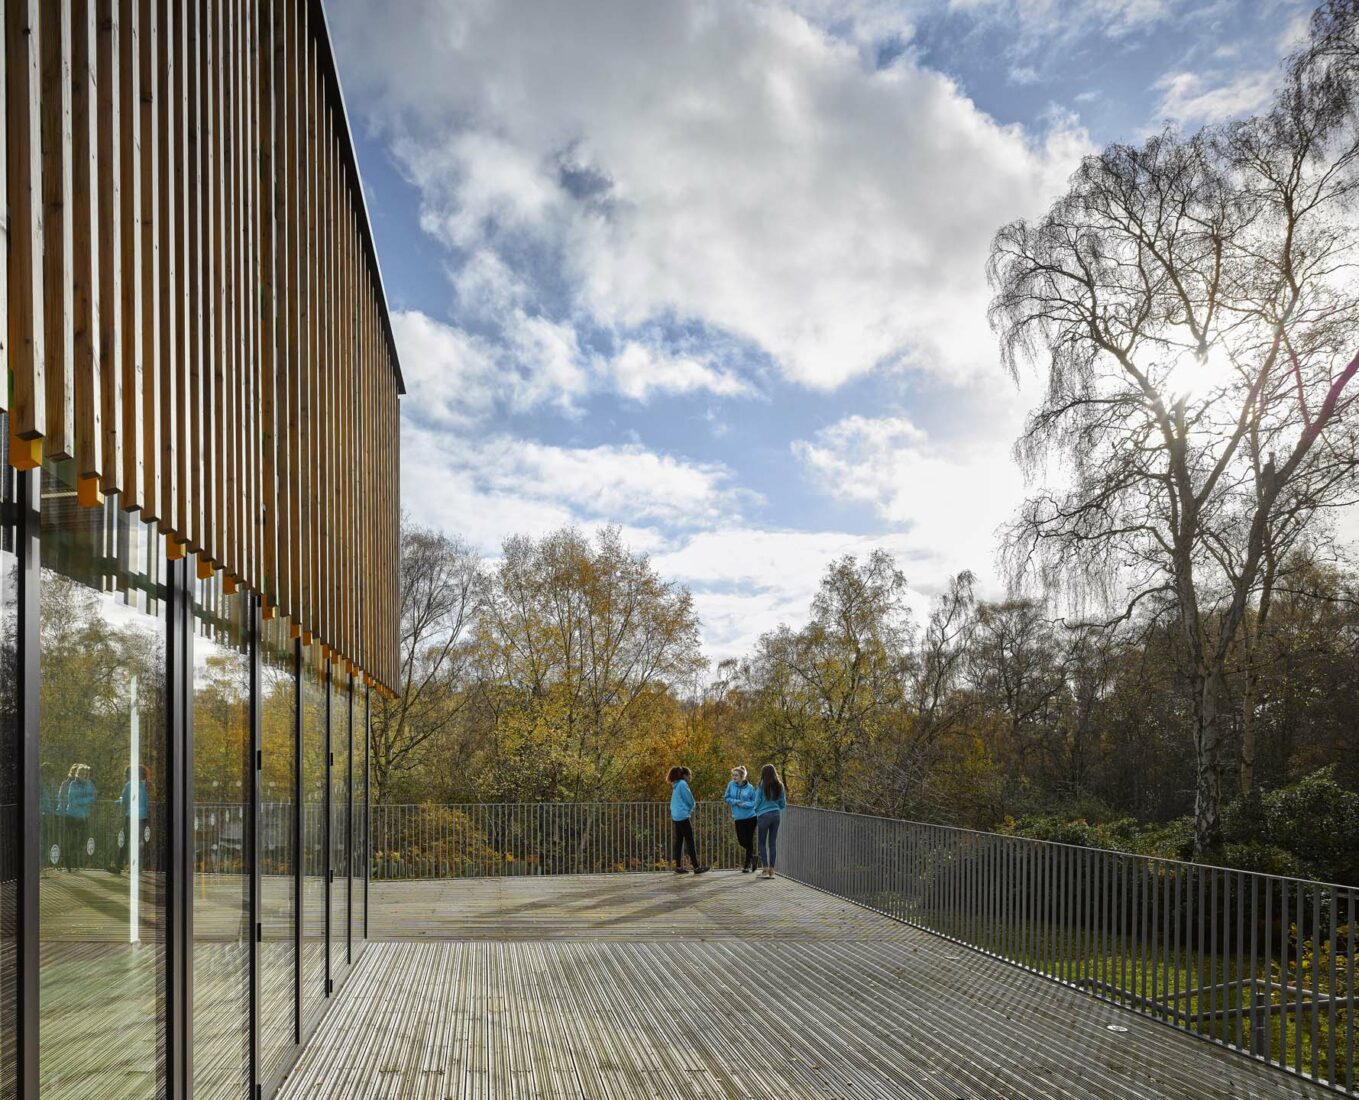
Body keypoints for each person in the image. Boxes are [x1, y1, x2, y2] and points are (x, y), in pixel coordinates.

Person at [668, 766, 708, 875]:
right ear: (684, 775)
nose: (690, 777)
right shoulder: (682, 784)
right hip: (682, 815)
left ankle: (678, 866)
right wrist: (691, 808)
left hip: (676, 815)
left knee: (679, 841)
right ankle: (696, 867)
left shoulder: (675, 785)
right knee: (690, 841)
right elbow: (689, 799)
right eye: (689, 774)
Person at [751, 764, 786, 880]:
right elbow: (782, 802)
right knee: (772, 843)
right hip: (776, 815)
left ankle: (765, 869)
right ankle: (772, 870)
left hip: (763, 815)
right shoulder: (779, 785)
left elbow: (757, 800)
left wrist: (756, 810)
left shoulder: (762, 784)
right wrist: (777, 807)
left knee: (761, 843)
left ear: (763, 773)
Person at [723, 766, 759, 872]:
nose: (734, 777)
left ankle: (747, 865)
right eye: (733, 775)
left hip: (751, 817)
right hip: (738, 817)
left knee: (749, 840)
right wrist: (736, 802)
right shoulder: (731, 785)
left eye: (736, 775)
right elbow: (726, 797)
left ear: (742, 776)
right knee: (742, 841)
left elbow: (754, 802)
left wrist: (745, 804)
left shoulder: (750, 788)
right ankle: (753, 857)